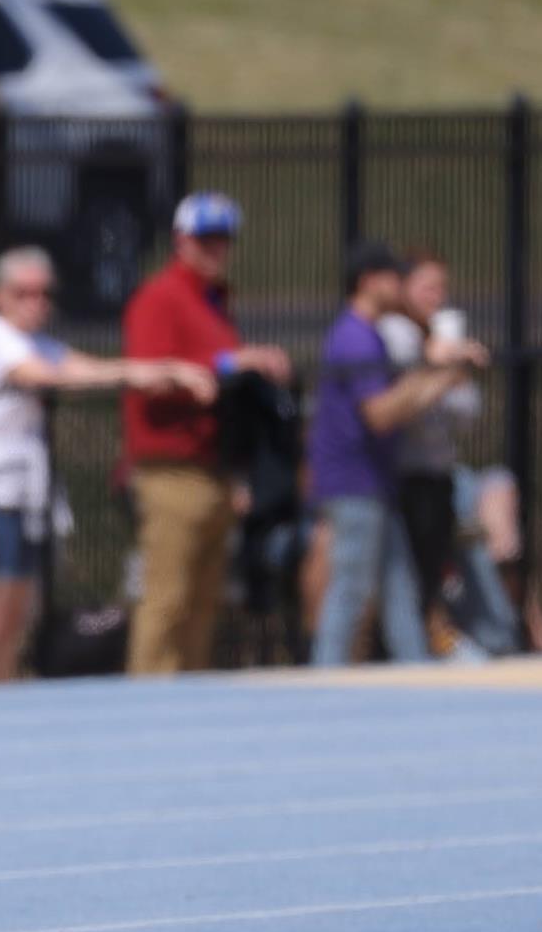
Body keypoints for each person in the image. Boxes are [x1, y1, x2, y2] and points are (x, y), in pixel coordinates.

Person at [0, 246, 213, 687]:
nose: (35, 303)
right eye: (23, 293)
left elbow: (88, 365)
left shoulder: (36, 341)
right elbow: (51, 376)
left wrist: (166, 369)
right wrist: (137, 376)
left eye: (43, 293)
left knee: (15, 613)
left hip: (24, 492)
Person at [120, 192, 292, 674]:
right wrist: (227, 364)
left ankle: (187, 707)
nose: (216, 250)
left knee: (204, 606)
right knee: (168, 600)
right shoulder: (160, 297)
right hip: (172, 471)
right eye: (205, 240)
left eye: (223, 241)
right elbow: (147, 373)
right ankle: (148, 702)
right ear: (181, 242)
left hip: (214, 469)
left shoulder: (215, 303)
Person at [307, 241, 487, 667]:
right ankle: (323, 678)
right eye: (392, 276)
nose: (399, 285)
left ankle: (415, 675)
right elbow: (381, 414)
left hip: (374, 483)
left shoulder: (368, 333)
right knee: (351, 588)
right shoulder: (355, 336)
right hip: (354, 483)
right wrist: (440, 374)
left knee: (399, 588)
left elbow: (398, 399)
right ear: (369, 281)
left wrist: (442, 375)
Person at [376, 249, 482, 648]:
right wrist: (436, 368)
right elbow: (402, 409)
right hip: (403, 478)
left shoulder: (437, 337)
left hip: (439, 475)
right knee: (404, 581)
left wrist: (451, 369)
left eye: (443, 287)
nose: (437, 296)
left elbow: (467, 412)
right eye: (428, 286)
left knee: (432, 575)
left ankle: (425, 649)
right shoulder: (394, 334)